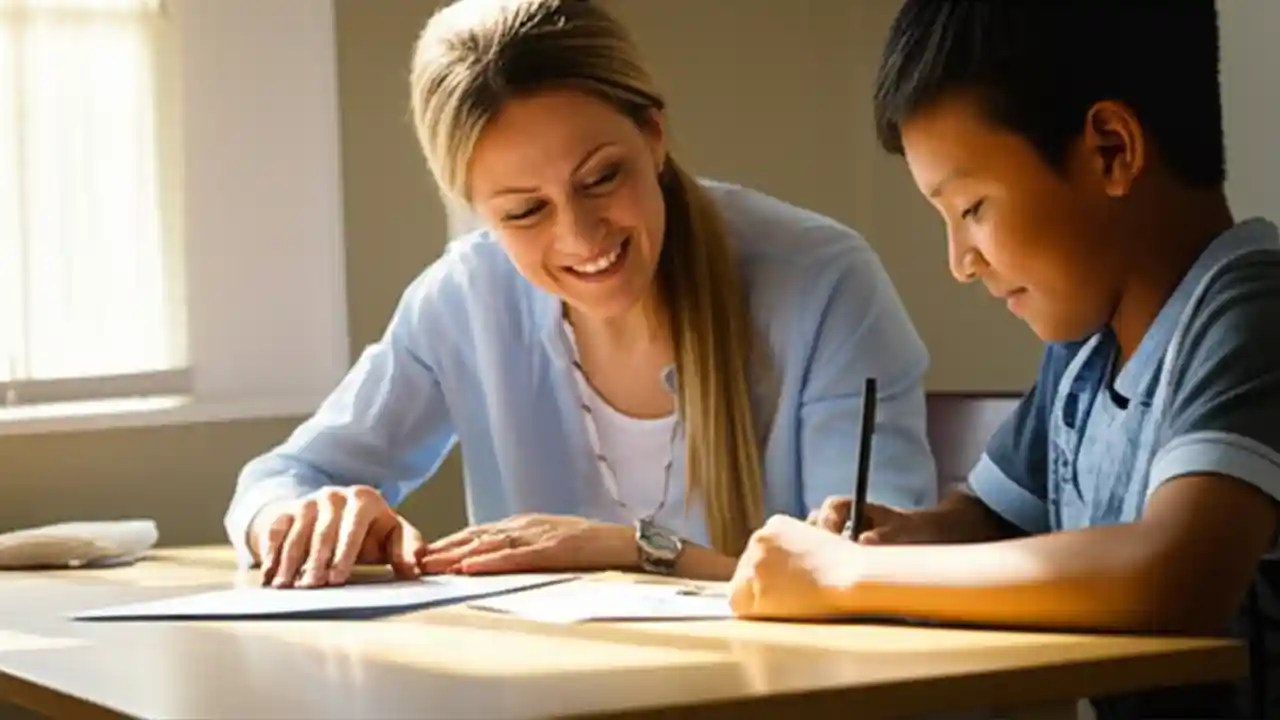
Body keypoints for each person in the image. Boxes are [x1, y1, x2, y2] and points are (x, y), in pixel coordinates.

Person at [223, 0, 935, 590]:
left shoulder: (822, 284)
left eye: (600, 179)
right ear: (478, 212)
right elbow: (281, 477)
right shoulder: (465, 298)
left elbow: (871, 575)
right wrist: (301, 515)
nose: (581, 235)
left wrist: (631, 548)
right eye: (524, 212)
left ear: (653, 135)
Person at [729, 1, 1280, 717]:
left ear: (1111, 149)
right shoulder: (1087, 345)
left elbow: (1175, 577)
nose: (961, 261)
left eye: (973, 209)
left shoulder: (1252, 312)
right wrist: (899, 536)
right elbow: (998, 519)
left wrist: (853, 576)